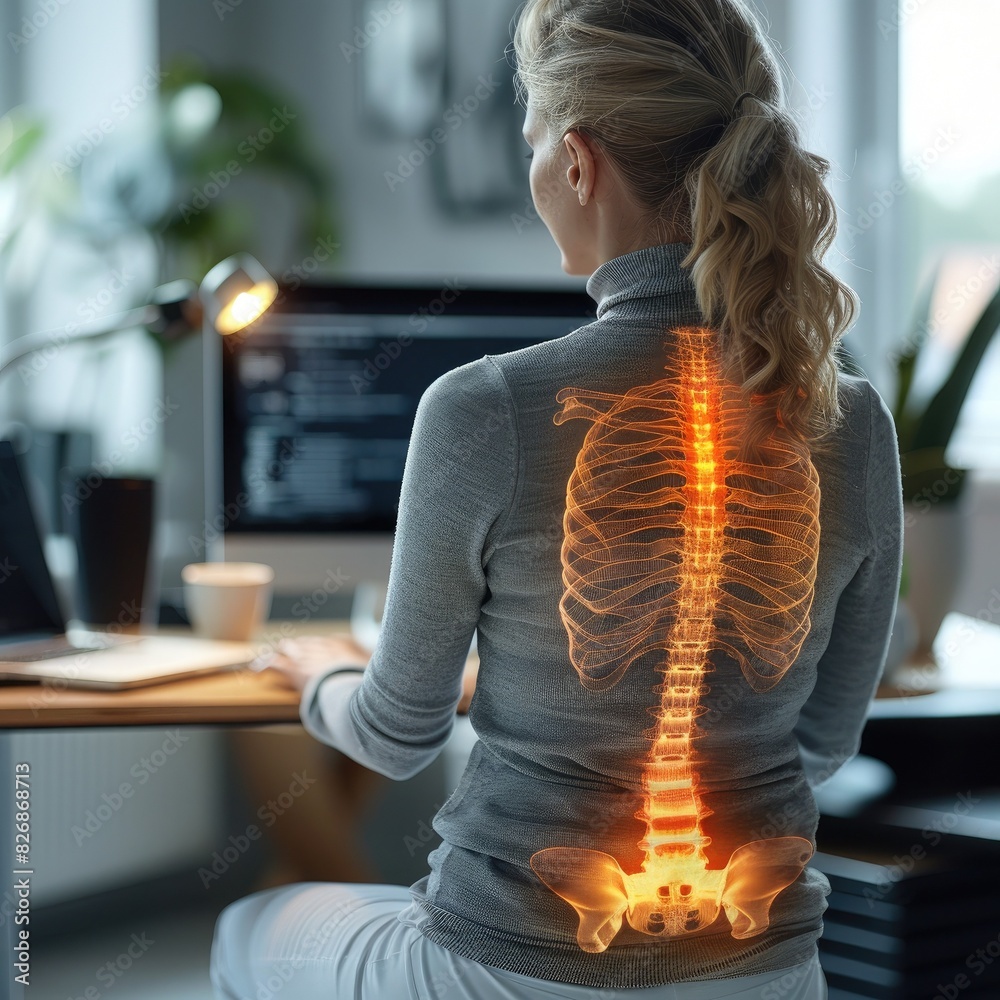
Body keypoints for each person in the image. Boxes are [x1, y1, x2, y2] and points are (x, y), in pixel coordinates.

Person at [210, 0, 903, 997]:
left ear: (576, 163)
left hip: (512, 966)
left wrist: (319, 672)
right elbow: (823, 745)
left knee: (249, 924)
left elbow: (398, 739)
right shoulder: (856, 418)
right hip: (766, 971)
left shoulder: (482, 404)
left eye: (534, 143)